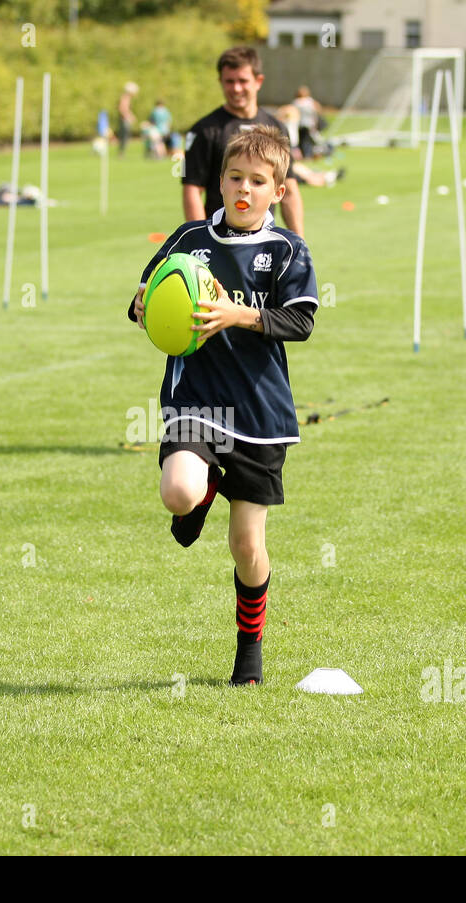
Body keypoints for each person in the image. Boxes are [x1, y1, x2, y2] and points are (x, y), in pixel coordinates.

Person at [128, 126, 317, 686]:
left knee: (246, 545)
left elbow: (301, 322)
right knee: (178, 491)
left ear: (277, 191)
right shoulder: (188, 239)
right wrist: (144, 305)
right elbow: (144, 304)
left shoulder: (286, 251)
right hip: (197, 400)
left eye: (258, 181)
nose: (244, 189)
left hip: (261, 414)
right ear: (220, 181)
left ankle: (249, 650)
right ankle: (200, 491)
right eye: (235, 177)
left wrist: (238, 314)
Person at [182, 46, 304, 237]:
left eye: (243, 81)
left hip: (264, 246)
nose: (236, 88)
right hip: (220, 242)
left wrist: (299, 246)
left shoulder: (277, 128)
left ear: (258, 81)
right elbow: (192, 190)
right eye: (229, 81)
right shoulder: (204, 130)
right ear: (221, 82)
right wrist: (200, 241)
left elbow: (289, 191)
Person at [291, 85, 323, 158]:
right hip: (309, 124)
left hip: (300, 125)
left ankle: (304, 154)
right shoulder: (310, 101)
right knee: (308, 141)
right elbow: (318, 111)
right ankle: (308, 155)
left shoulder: (296, 102)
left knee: (302, 141)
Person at [117, 81, 138, 157]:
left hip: (125, 120)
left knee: (125, 137)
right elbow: (122, 109)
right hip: (124, 120)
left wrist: (131, 115)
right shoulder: (125, 98)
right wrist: (128, 117)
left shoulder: (127, 98)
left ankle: (122, 153)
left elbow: (126, 109)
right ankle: (121, 153)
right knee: (124, 137)